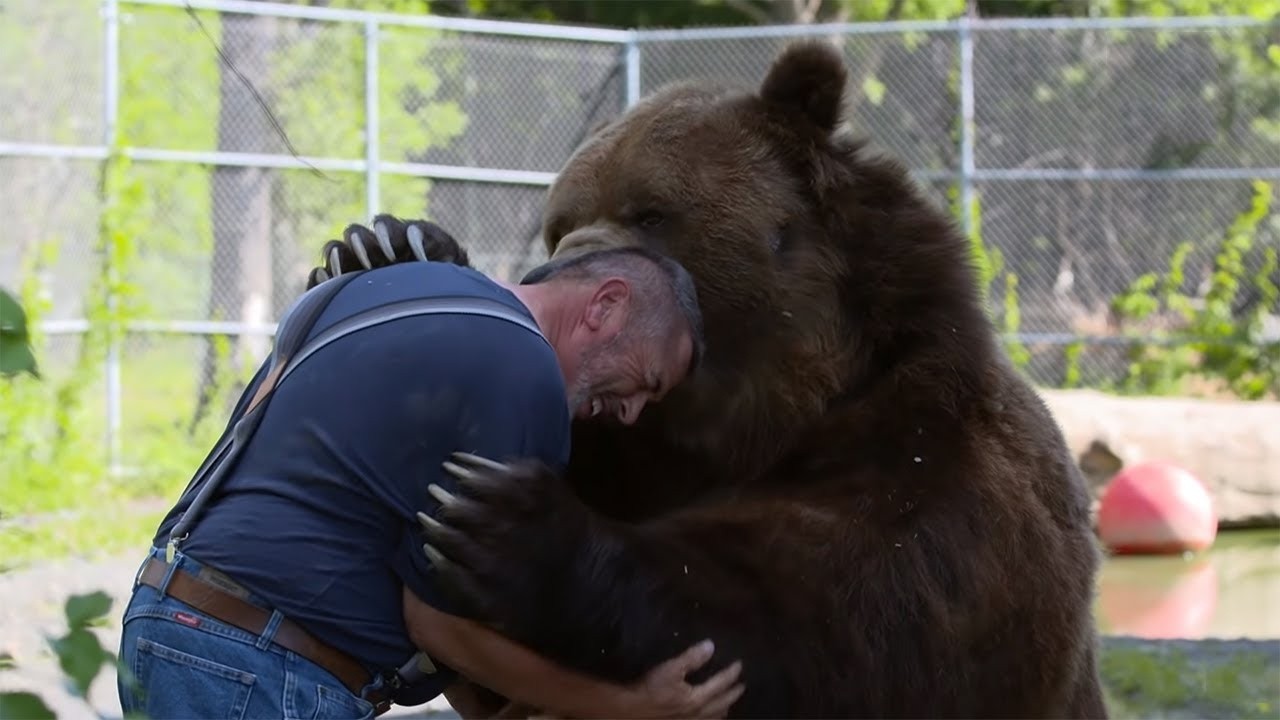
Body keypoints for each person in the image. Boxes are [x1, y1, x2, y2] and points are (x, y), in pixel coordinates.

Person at [115, 219, 741, 720]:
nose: (630, 414)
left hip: (169, 622)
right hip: (257, 665)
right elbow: (439, 623)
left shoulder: (373, 291)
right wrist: (630, 706)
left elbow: (362, 523)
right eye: (647, 382)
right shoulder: (525, 372)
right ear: (605, 304)